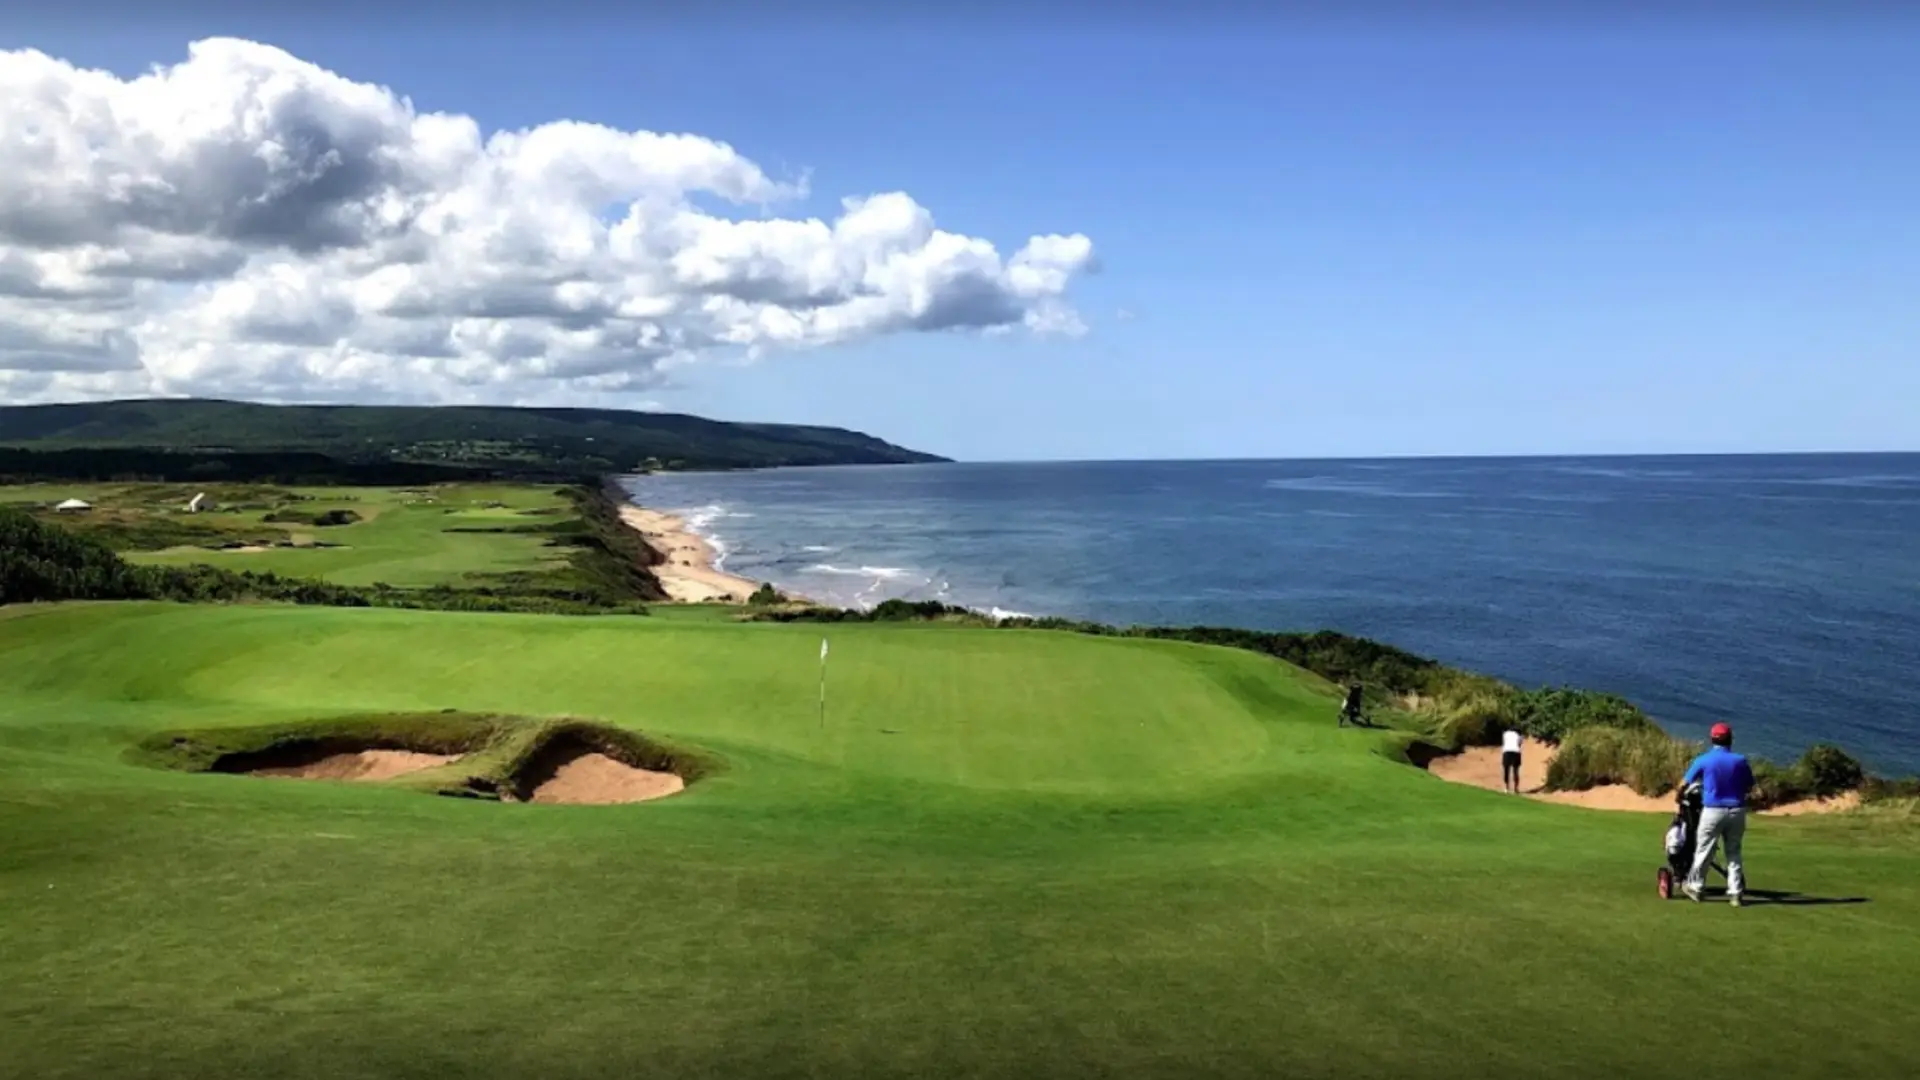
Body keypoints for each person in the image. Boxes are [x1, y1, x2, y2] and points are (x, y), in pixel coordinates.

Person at [1680, 722, 1755, 906]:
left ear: (1712, 739)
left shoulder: (1703, 760)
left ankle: (1696, 888)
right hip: (1737, 810)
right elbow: (1750, 786)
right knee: (1734, 852)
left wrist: (1678, 797)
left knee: (1704, 850)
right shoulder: (1740, 760)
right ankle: (1736, 893)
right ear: (1730, 739)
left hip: (1713, 810)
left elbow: (1684, 784)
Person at [1500, 727, 1525, 794]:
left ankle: (1506, 788)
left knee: (1506, 770)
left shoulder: (1505, 733)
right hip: (1516, 752)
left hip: (1507, 751)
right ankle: (1516, 789)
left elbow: (1504, 742)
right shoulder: (1520, 734)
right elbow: (1519, 744)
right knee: (1516, 770)